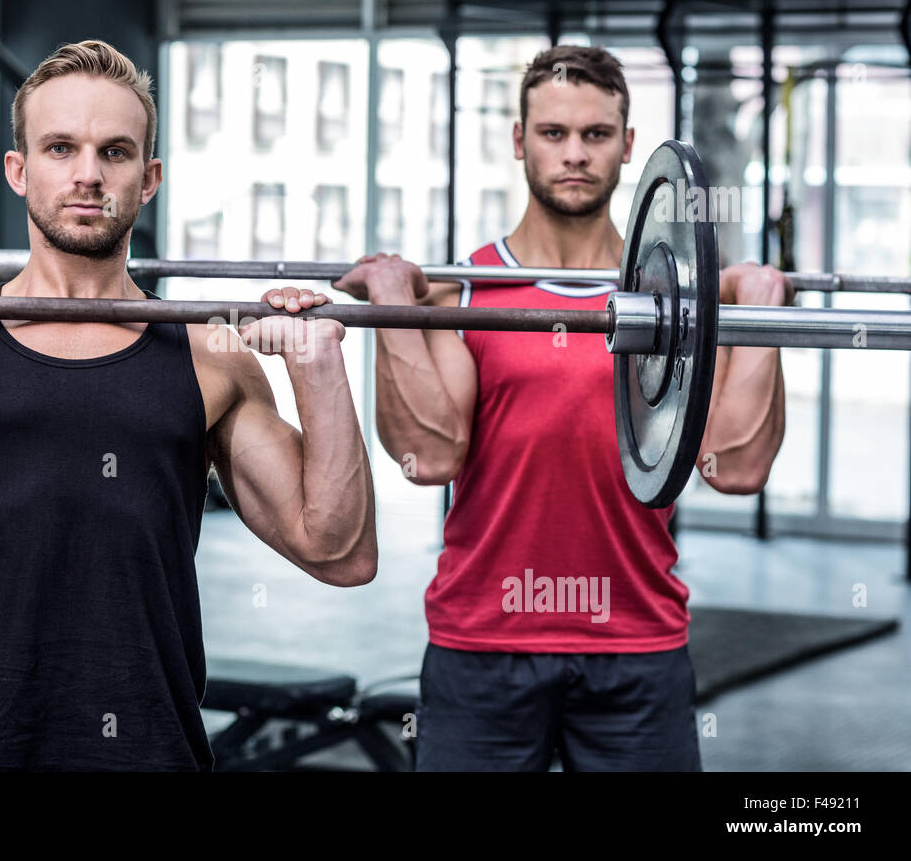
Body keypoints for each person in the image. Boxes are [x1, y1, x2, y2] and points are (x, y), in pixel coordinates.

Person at [0, 39, 378, 771]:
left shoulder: (207, 355)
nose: (88, 175)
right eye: (61, 148)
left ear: (147, 179)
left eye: (114, 152)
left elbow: (340, 552)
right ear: (19, 171)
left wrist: (321, 370)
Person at [331, 45, 791, 770]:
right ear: (519, 142)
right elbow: (433, 457)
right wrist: (394, 308)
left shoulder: (679, 304)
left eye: (596, 135)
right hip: (483, 642)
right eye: (553, 133)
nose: (574, 154)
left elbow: (736, 467)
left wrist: (762, 314)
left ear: (629, 147)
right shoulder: (468, 294)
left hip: (637, 643)